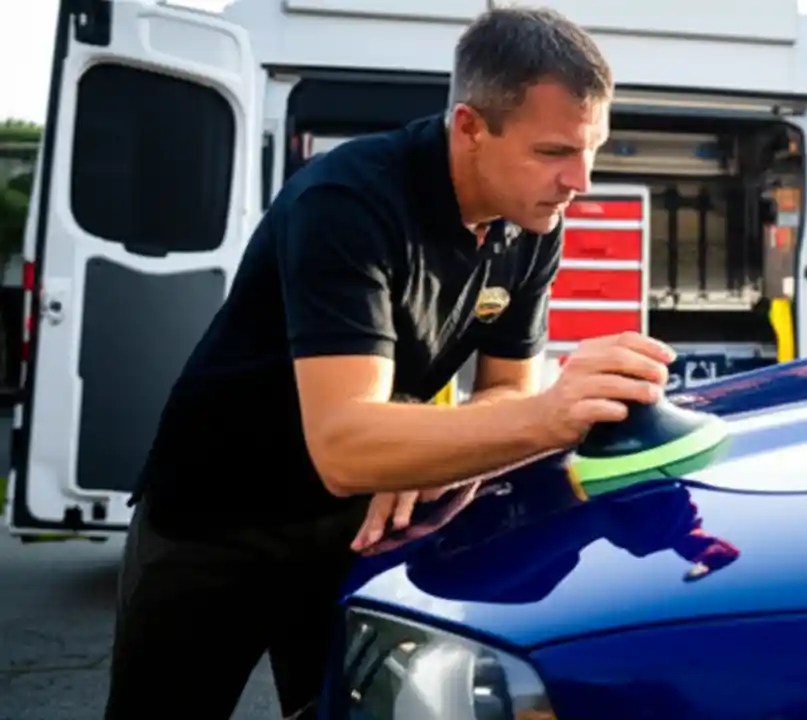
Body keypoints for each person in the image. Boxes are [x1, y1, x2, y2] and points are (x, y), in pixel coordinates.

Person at [102, 6, 674, 719]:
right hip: (218, 519)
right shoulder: (347, 202)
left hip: (356, 526)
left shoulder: (530, 224)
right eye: (554, 151)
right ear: (469, 126)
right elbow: (344, 445)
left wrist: (426, 456)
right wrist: (547, 419)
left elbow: (502, 392)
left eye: (592, 149)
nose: (579, 180)